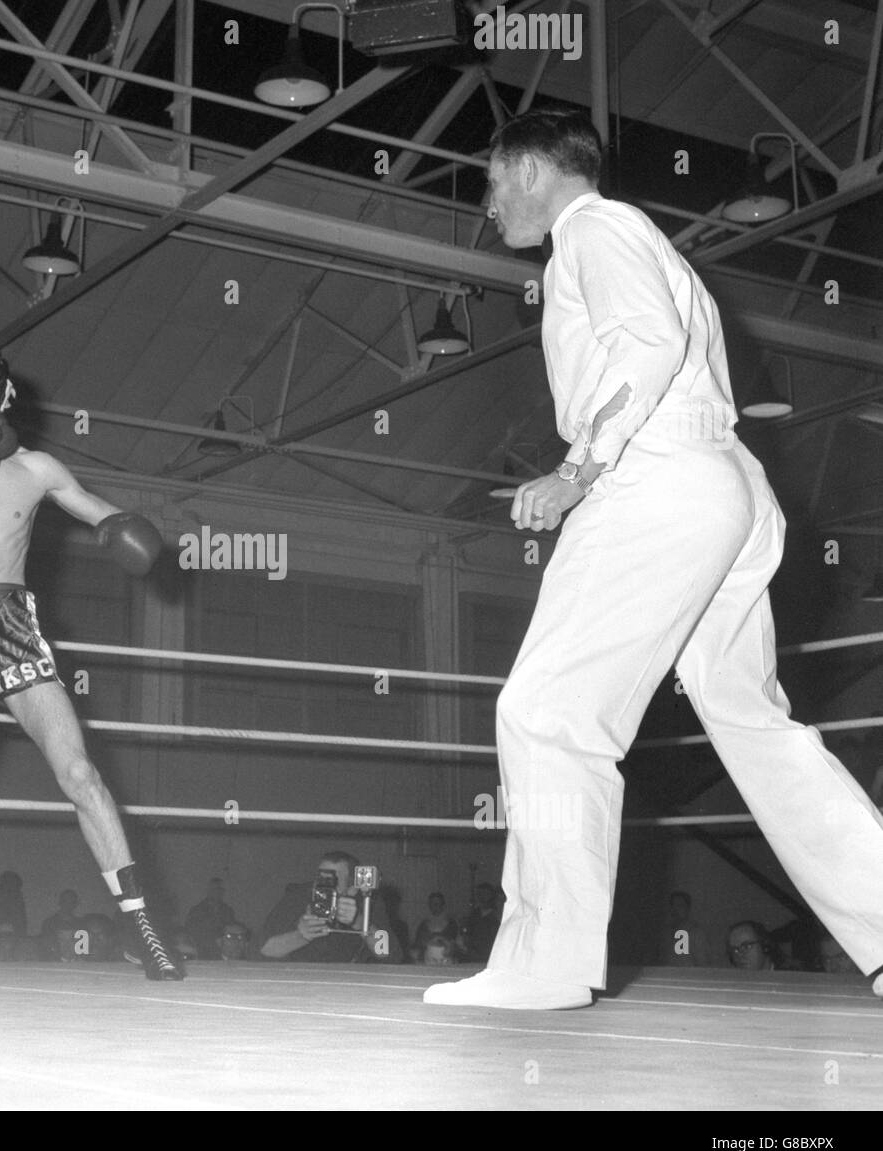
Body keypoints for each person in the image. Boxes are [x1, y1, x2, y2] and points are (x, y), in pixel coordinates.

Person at [425, 108, 883, 1009]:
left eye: (488, 181)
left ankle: (544, 964)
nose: (486, 207)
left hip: (655, 475)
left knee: (546, 712)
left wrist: (576, 469)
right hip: (723, 486)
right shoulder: (640, 240)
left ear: (526, 168)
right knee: (754, 724)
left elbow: (648, 343)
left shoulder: (592, 228)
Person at [0, 345, 183, 980]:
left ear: (3, 394)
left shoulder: (36, 468)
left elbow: (97, 511)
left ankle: (140, 923)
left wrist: (134, 533)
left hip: (9, 625)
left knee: (79, 773)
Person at [259, 851, 397, 964]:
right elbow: (263, 950)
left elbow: (389, 954)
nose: (325, 888)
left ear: (353, 889)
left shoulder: (368, 902)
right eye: (321, 880)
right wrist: (302, 936)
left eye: (332, 882)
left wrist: (360, 923)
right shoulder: (299, 896)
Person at [185, 877, 237, 959]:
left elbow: (232, 931)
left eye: (220, 889)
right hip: (202, 952)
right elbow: (190, 932)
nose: (218, 892)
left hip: (223, 954)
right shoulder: (197, 911)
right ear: (209, 891)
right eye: (215, 889)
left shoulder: (228, 911)